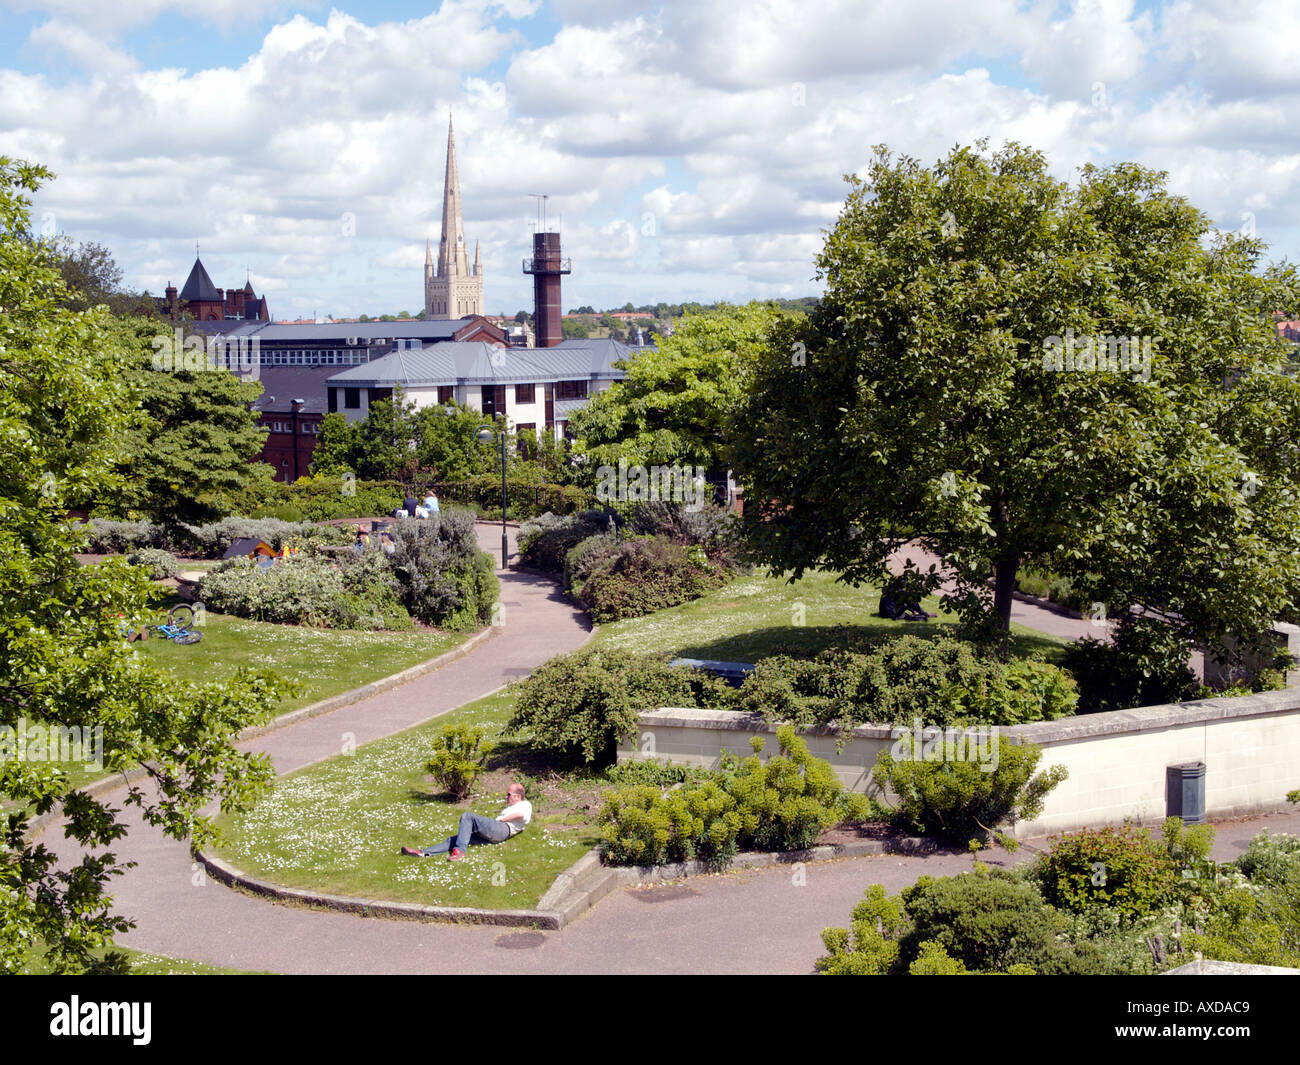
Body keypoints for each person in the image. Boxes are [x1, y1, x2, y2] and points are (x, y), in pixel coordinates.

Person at [401, 782, 532, 861]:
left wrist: (502, 820)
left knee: (468, 816)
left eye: (509, 794)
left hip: (501, 829)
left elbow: (521, 815)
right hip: (498, 831)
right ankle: (422, 852)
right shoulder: (511, 807)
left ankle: (459, 851)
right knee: (457, 838)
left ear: (517, 796)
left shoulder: (525, 804)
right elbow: (521, 823)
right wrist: (519, 828)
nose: (506, 797)